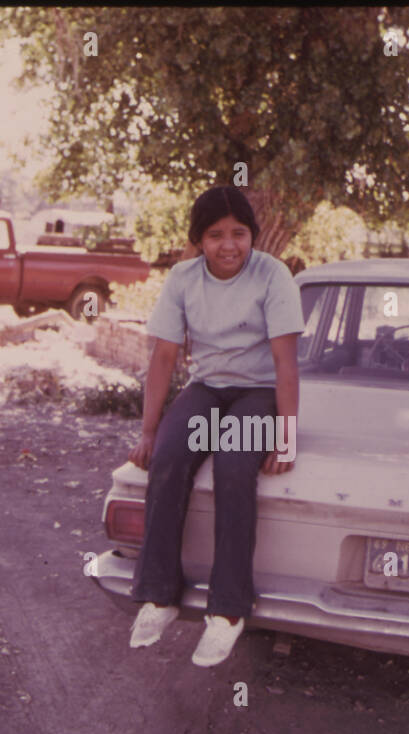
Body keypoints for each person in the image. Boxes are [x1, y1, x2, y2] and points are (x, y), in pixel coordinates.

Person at [126, 186, 303, 667]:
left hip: (259, 391)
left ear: (253, 235)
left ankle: (227, 611)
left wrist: (286, 436)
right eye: (216, 235)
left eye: (239, 234)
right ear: (198, 240)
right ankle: (159, 596)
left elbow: (286, 364)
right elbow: (163, 358)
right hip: (208, 388)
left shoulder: (273, 276)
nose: (229, 245)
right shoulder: (183, 279)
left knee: (232, 466)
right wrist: (148, 431)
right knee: (167, 458)